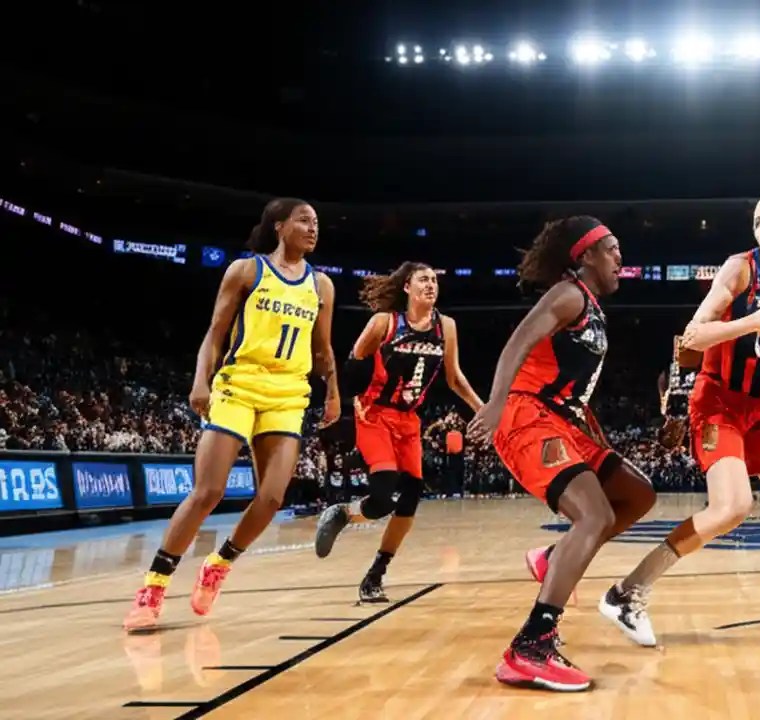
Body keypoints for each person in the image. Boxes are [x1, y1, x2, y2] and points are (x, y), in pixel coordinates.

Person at [600, 182, 760, 652]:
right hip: (717, 401)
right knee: (732, 508)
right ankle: (626, 593)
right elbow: (693, 335)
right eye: (757, 221)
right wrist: (753, 321)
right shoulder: (740, 270)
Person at [124, 198, 340, 631]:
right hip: (239, 384)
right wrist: (201, 379)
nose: (313, 228)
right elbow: (215, 332)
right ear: (280, 227)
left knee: (273, 498)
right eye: (304, 220)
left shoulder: (322, 286)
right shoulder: (247, 271)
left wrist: (333, 392)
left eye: (317, 223)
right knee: (209, 491)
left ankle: (219, 564)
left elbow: (322, 347)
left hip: (288, 392)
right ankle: (153, 586)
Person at [467, 216, 657, 692]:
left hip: (565, 420)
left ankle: (553, 557)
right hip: (526, 414)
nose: (620, 258)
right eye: (612, 249)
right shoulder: (567, 294)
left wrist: (594, 433)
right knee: (592, 516)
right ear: (585, 255)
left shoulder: (591, 306)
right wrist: (494, 405)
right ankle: (530, 646)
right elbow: (516, 344)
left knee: (636, 494)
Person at [313, 262, 483, 603]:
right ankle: (343, 513)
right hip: (375, 414)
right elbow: (353, 363)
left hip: (409, 421)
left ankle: (375, 571)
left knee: (408, 501)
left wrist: (485, 409)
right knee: (383, 489)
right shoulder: (384, 323)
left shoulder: (446, 327)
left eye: (435, 279)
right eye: (424, 279)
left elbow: (454, 378)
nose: (431, 284)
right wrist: (349, 399)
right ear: (407, 287)